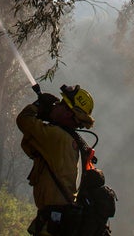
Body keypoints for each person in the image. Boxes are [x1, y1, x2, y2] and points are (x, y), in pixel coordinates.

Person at [18, 84, 98, 235]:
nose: (55, 105)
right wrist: (48, 116)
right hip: (57, 221)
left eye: (61, 104)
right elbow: (30, 147)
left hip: (54, 224)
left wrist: (37, 106)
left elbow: (23, 120)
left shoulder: (58, 138)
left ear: (68, 113)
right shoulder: (70, 140)